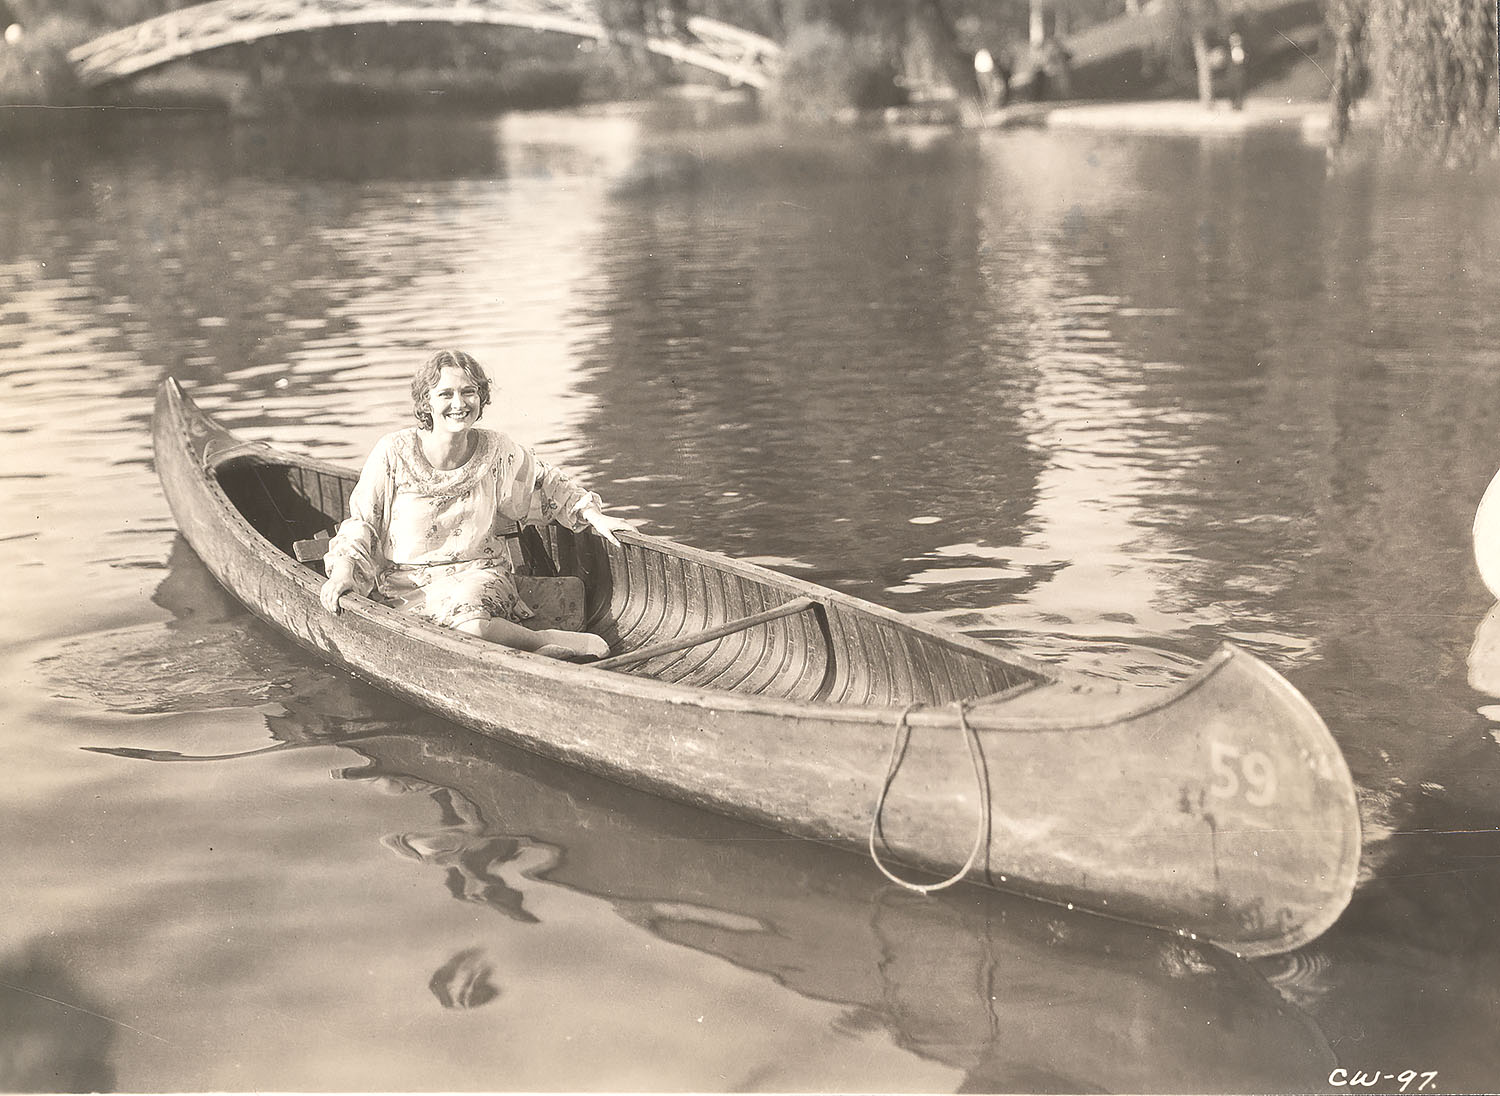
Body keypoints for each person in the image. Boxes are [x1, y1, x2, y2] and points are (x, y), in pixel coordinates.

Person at [319, 349, 631, 660]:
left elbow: (544, 482)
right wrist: (343, 573)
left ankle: (537, 641)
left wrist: (593, 515)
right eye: (445, 394)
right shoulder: (393, 452)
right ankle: (530, 645)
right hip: (406, 587)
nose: (459, 404)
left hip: (479, 575)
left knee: (472, 627)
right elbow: (362, 523)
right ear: (426, 401)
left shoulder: (495, 450)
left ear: (481, 397)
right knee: (453, 630)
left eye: (469, 392)